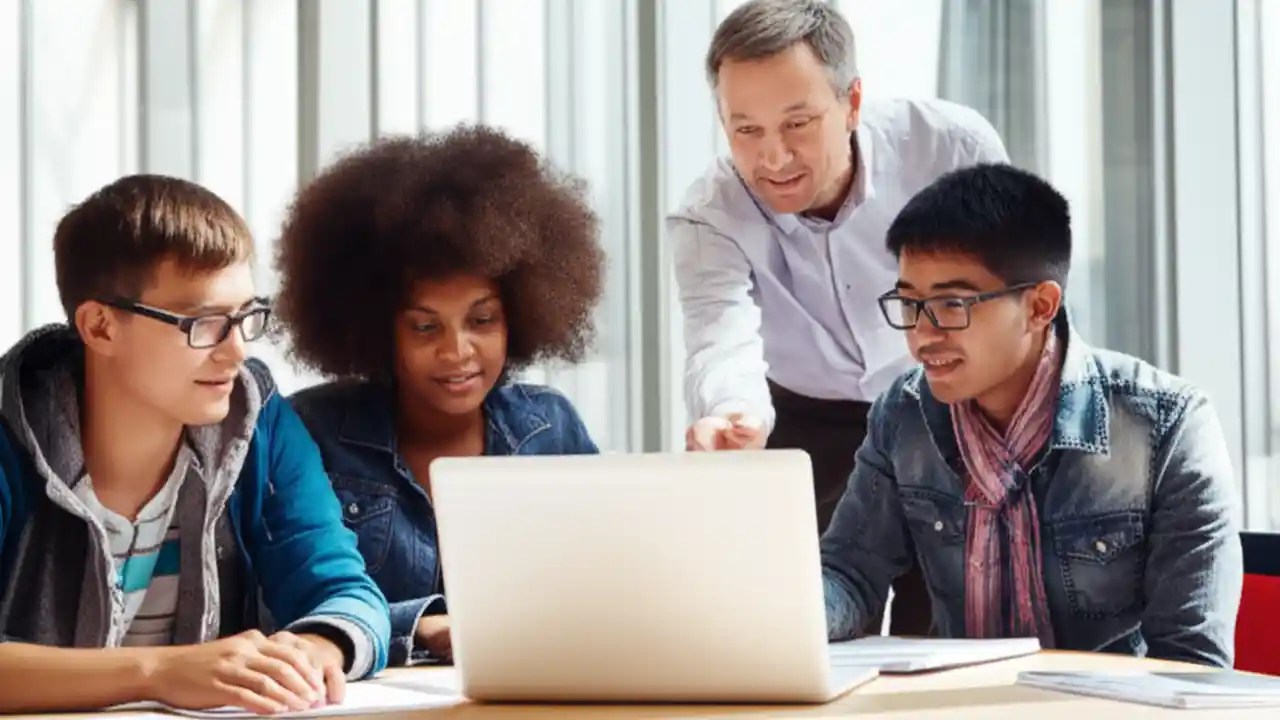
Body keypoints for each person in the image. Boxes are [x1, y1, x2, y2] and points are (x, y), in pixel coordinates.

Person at [671, 0, 1007, 633]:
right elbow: (720, 335)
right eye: (745, 130)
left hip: (945, 407)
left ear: (851, 102)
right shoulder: (707, 215)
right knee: (791, 625)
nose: (773, 158)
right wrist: (733, 415)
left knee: (949, 630)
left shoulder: (950, 148)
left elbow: (1004, 297)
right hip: (802, 420)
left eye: (798, 123)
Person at [821, 163, 1243, 667]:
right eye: (909, 304)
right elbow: (849, 575)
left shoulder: (1168, 427)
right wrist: (780, 617)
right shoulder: (904, 416)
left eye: (951, 304)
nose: (922, 336)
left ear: (1041, 306)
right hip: (962, 704)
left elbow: (1190, 663)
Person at [0, 176, 391, 714]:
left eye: (246, 318)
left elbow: (348, 595)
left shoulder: (261, 424)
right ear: (100, 327)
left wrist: (313, 649)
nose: (235, 353)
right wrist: (158, 673)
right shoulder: (8, 438)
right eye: (204, 323)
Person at [277, 126, 605, 666]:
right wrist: (420, 626)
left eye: (481, 320)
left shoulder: (551, 428)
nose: (458, 352)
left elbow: (602, 580)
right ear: (379, 329)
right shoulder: (312, 431)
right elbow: (277, 601)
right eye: (425, 328)